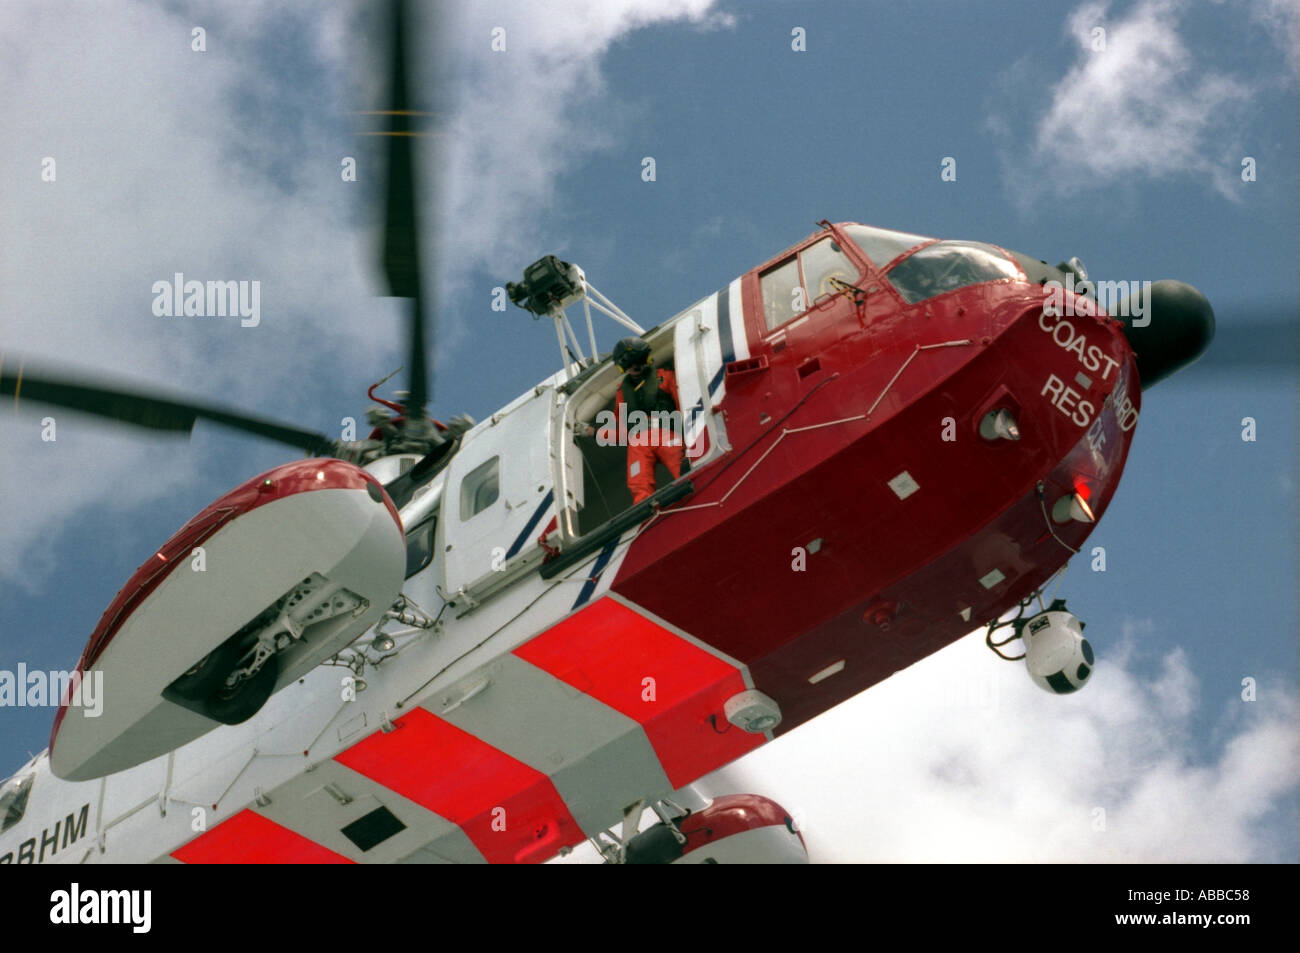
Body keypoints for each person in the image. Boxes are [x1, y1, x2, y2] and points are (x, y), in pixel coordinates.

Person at [592, 337, 685, 504]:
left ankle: (692, 484)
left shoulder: (665, 377)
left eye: (638, 361)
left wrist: (691, 429)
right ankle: (644, 507)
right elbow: (620, 430)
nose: (635, 367)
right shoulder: (623, 393)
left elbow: (682, 405)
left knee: (679, 463)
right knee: (638, 479)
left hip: (665, 433)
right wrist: (595, 433)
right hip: (638, 442)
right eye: (629, 365)